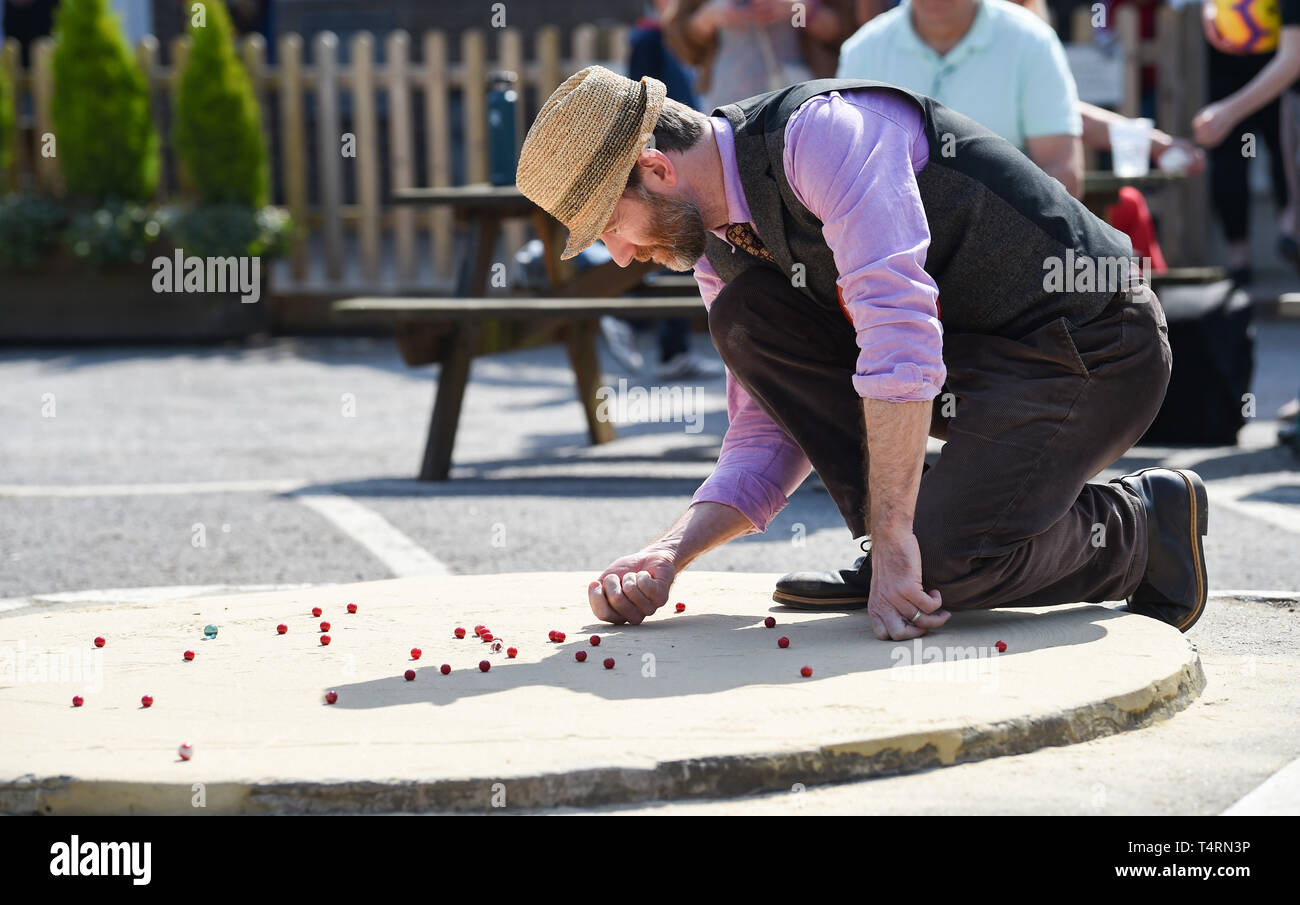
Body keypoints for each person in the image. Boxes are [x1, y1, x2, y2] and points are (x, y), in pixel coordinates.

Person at [516, 67, 1211, 641]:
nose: (623, 254)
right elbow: (768, 426)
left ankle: (1141, 527)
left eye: (611, 224)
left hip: (1092, 343)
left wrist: (900, 533)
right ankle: (907, 546)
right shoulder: (714, 246)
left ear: (658, 169)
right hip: (973, 365)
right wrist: (669, 553)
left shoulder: (821, 136)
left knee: (939, 569)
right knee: (747, 317)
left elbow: (899, 336)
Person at [837, 0, 1085, 197]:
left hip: (1005, 247)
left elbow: (1062, 174)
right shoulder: (862, 50)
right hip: (893, 248)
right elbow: (844, 173)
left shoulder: (1033, 42)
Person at [604, 0, 724, 381]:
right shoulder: (649, 39)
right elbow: (643, 107)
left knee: (675, 249)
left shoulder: (685, 36)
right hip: (665, 155)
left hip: (686, 152)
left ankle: (670, 347)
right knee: (659, 242)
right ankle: (628, 316)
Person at [1194, 0, 1300, 283]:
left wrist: (1228, 112)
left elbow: (1293, 57)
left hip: (1278, 66)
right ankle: (1243, 257)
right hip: (1235, 63)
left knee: (1282, 145)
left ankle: (1290, 228)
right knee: (1236, 157)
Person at [663, 0, 857, 107]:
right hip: (729, 104)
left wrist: (794, 9)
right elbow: (680, 38)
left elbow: (845, 32)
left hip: (803, 99)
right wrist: (711, 17)